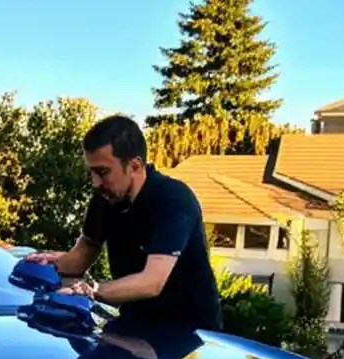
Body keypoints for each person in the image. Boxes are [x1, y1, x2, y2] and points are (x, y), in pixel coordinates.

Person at [25, 115, 223, 331]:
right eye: (92, 172)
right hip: (134, 323)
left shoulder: (173, 200)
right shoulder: (106, 198)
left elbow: (152, 282)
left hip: (189, 335)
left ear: (135, 166)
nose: (95, 183)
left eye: (103, 172)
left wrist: (91, 290)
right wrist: (48, 264)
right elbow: (83, 254)